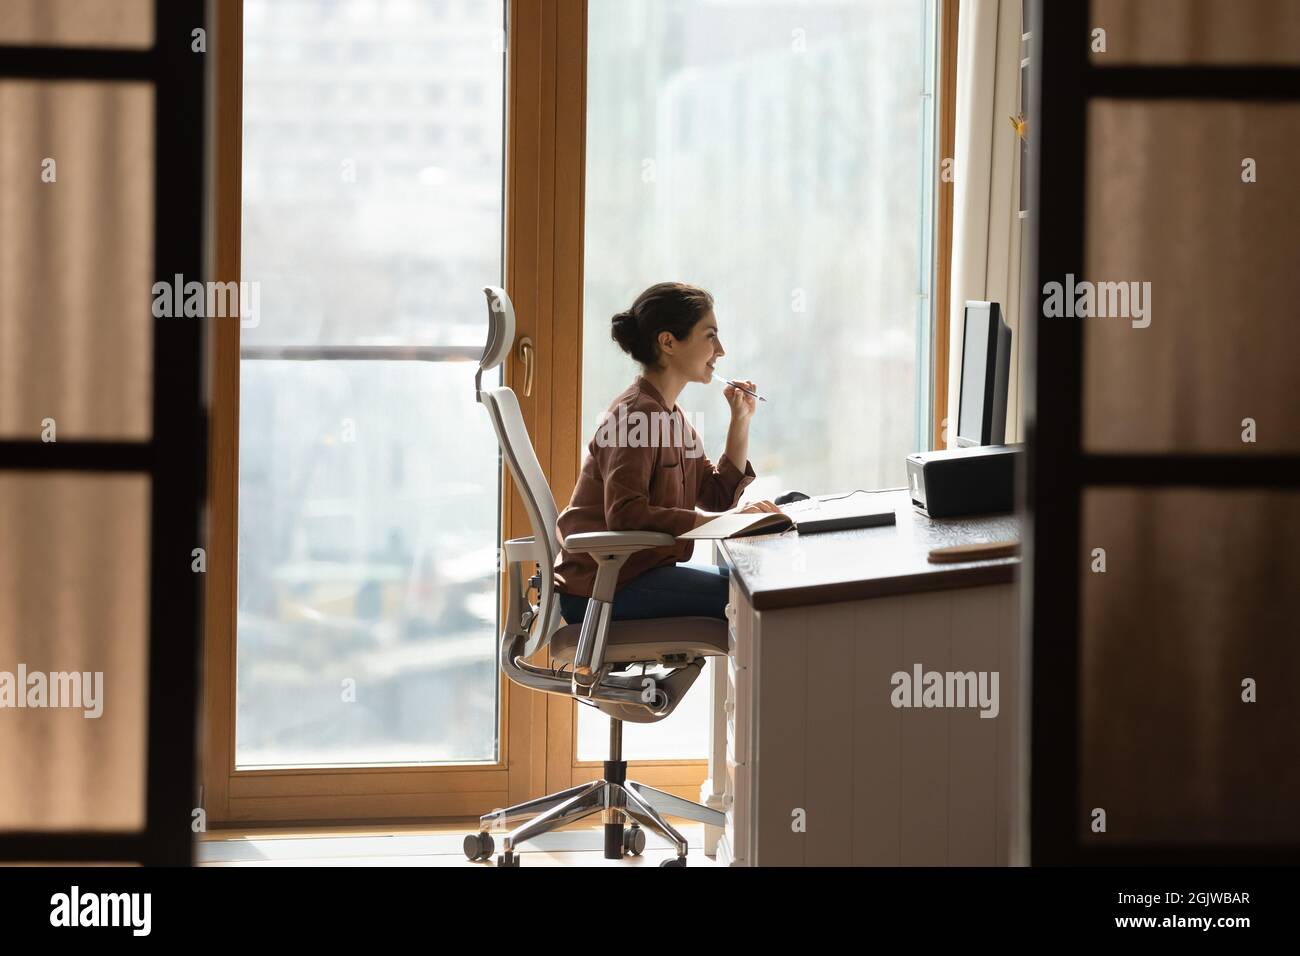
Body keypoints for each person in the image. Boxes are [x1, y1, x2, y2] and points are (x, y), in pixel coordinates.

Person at [553, 281, 779, 625]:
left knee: (751, 586)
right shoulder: (635, 416)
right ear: (668, 342)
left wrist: (740, 421)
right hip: (602, 588)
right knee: (751, 596)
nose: (721, 350)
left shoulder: (671, 415)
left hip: (635, 577)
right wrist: (726, 523)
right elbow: (626, 515)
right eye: (710, 336)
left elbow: (716, 496)